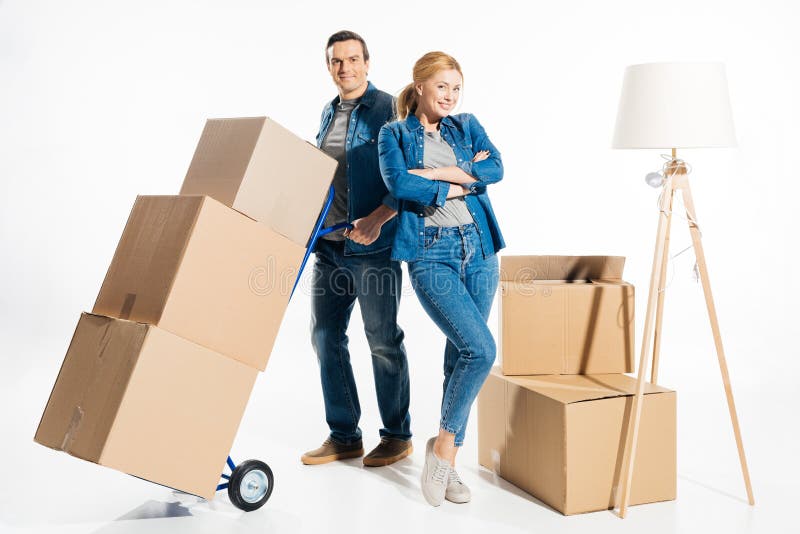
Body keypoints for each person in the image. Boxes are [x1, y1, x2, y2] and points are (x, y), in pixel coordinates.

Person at [378, 51, 504, 505]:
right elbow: (399, 184)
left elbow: (497, 169)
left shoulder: (466, 124)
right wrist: (462, 179)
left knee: (462, 357)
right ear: (419, 87)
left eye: (456, 88)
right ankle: (444, 450)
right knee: (482, 349)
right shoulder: (393, 133)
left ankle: (445, 457)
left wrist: (440, 174)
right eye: (441, 87)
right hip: (432, 254)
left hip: (481, 249)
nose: (450, 96)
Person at [301, 31, 413, 467]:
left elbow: (411, 178)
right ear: (328, 67)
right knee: (325, 337)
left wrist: (377, 218)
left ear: (368, 62)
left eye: (352, 59)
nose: (344, 68)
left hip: (373, 249)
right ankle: (344, 435)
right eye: (336, 61)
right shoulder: (329, 112)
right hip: (328, 248)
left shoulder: (389, 110)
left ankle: (397, 435)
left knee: (382, 341)